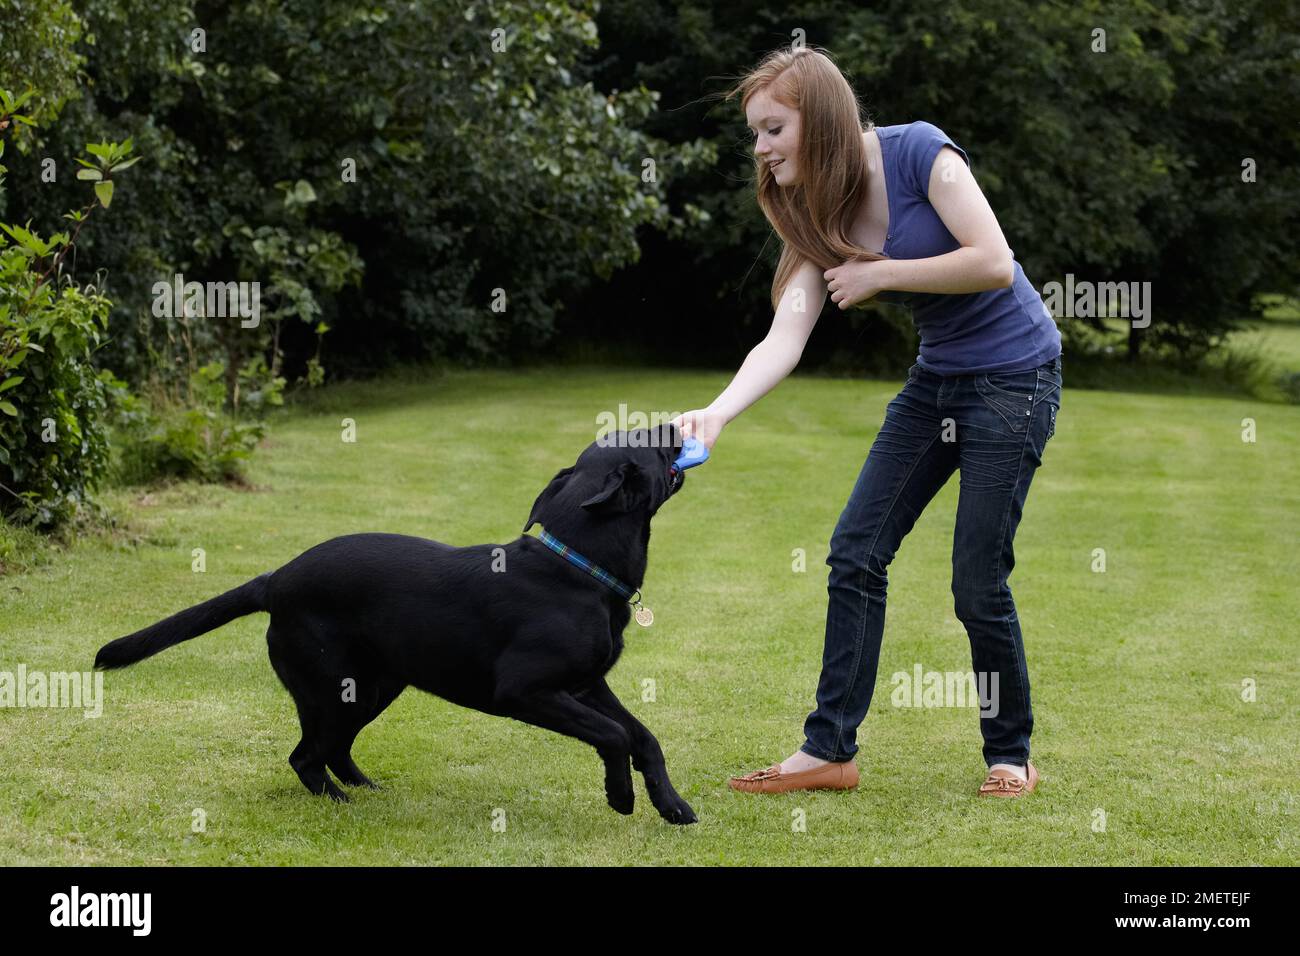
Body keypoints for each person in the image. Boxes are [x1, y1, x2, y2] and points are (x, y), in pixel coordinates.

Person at [670, 46, 1062, 799]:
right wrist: (717, 413)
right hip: (938, 381)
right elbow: (786, 334)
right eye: (755, 132)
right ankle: (829, 750)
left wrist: (883, 273)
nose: (760, 148)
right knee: (855, 550)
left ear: (817, 118)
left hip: (1016, 376)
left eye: (772, 128)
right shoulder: (812, 212)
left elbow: (993, 260)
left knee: (976, 582)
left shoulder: (922, 153)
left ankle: (1009, 755)